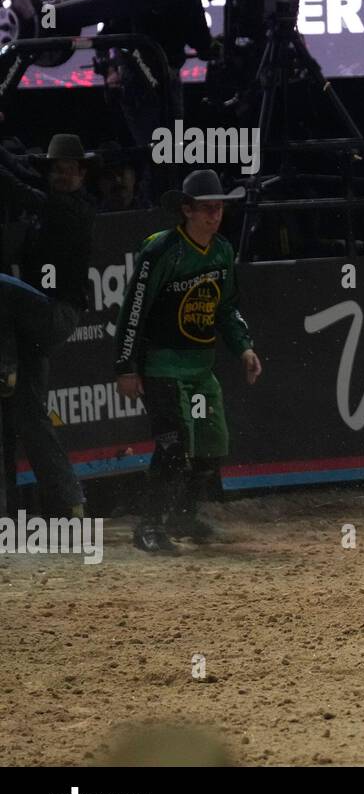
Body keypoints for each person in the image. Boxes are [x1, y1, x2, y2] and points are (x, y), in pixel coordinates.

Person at [113, 169, 262, 552]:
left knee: (211, 447)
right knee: (173, 449)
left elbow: (226, 307)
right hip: (162, 368)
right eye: (207, 209)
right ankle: (148, 525)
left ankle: (183, 514)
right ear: (187, 210)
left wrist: (244, 347)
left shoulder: (222, 252)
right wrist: (126, 366)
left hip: (199, 368)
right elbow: (134, 310)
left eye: (219, 209)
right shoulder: (161, 251)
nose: (215, 216)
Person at [0, 133, 96, 519]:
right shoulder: (42, 211)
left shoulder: (74, 209)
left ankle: (4, 367)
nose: (62, 176)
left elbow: (19, 185)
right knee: (31, 415)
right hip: (35, 319)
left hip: (55, 313)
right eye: (57, 170)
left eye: (69, 171)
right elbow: (20, 178)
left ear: (81, 175)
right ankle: (69, 503)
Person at [97, 0, 214, 155]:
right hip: (135, 83)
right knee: (148, 153)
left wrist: (214, 47)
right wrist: (111, 71)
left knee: (172, 152)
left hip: (169, 80)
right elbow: (106, 38)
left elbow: (201, 40)